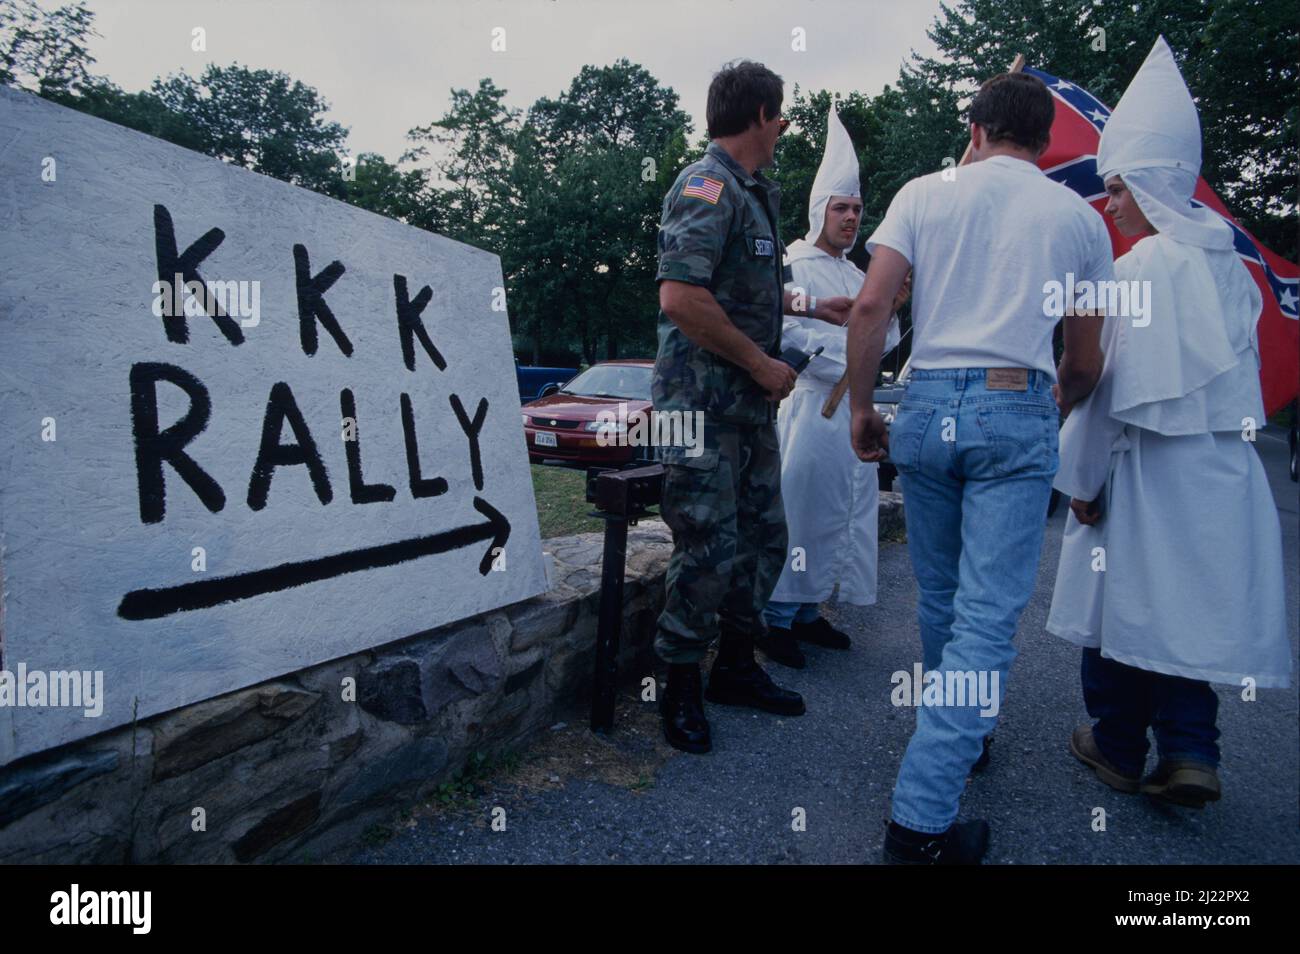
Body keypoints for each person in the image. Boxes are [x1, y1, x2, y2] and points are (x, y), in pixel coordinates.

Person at [846, 71, 1111, 863]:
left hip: (926, 405)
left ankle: (962, 728)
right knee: (988, 616)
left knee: (942, 596)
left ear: (975, 129)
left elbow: (871, 305)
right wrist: (1054, 404)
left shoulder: (922, 194)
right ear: (1046, 142)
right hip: (1014, 401)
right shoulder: (1080, 219)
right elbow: (1085, 359)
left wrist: (861, 408)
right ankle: (920, 822)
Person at [1046, 36, 1292, 807]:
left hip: (1146, 471)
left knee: (1119, 606)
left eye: (1118, 188)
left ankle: (1117, 745)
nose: (1110, 203)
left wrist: (1081, 482)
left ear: (1148, 188)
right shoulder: (1233, 271)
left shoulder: (1133, 270)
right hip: (1222, 472)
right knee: (1190, 610)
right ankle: (1191, 751)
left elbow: (1103, 388)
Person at [652, 60, 853, 755]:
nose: (785, 126)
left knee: (764, 538)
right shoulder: (705, 186)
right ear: (761, 116)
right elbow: (681, 297)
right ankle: (679, 685)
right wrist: (761, 363)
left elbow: (747, 286)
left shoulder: (753, 192)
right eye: (781, 114)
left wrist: (811, 305)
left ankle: (735, 667)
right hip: (697, 405)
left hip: (744, 406)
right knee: (706, 544)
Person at [757, 104, 907, 670]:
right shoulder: (793, 267)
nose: (850, 218)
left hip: (851, 413)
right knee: (802, 513)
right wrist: (849, 359)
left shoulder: (860, 275)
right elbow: (787, 335)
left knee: (839, 514)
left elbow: (881, 342)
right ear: (820, 209)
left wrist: (891, 308)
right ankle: (774, 617)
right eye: (841, 207)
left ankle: (807, 609)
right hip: (812, 413)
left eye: (857, 209)